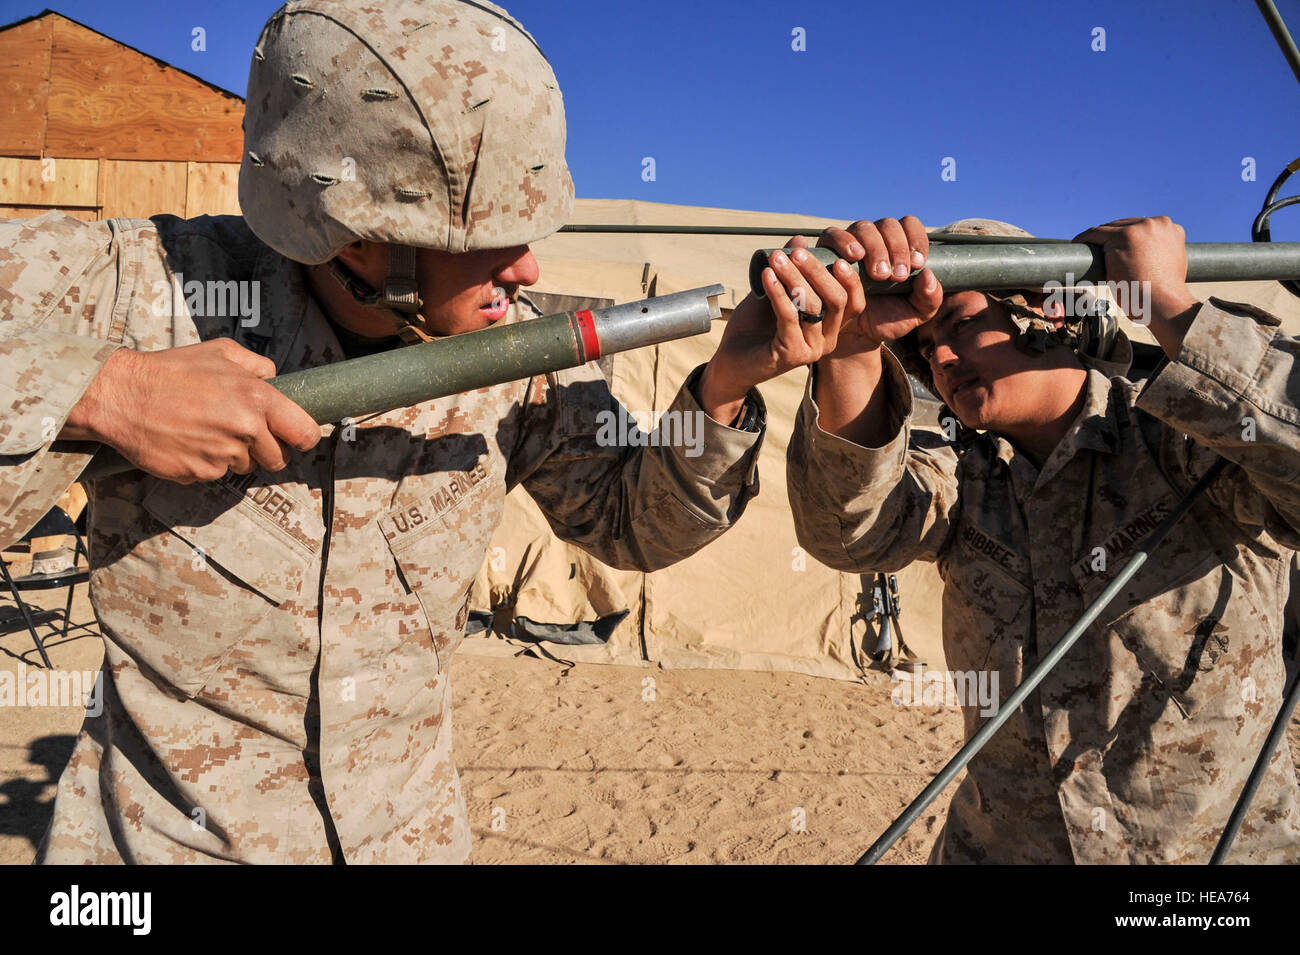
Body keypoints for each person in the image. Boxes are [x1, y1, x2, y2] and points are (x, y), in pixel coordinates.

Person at [0, 0, 859, 864]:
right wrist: (101, 393)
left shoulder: (521, 355)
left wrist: (724, 385)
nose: (525, 269)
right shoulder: (141, 291)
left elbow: (630, 521)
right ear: (356, 239)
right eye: (487, 240)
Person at [784, 213, 1300, 863]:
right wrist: (853, 348)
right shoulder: (963, 476)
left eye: (963, 322)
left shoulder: (1190, 439)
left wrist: (1168, 305)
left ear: (1049, 313)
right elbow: (847, 533)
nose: (940, 357)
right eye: (924, 344)